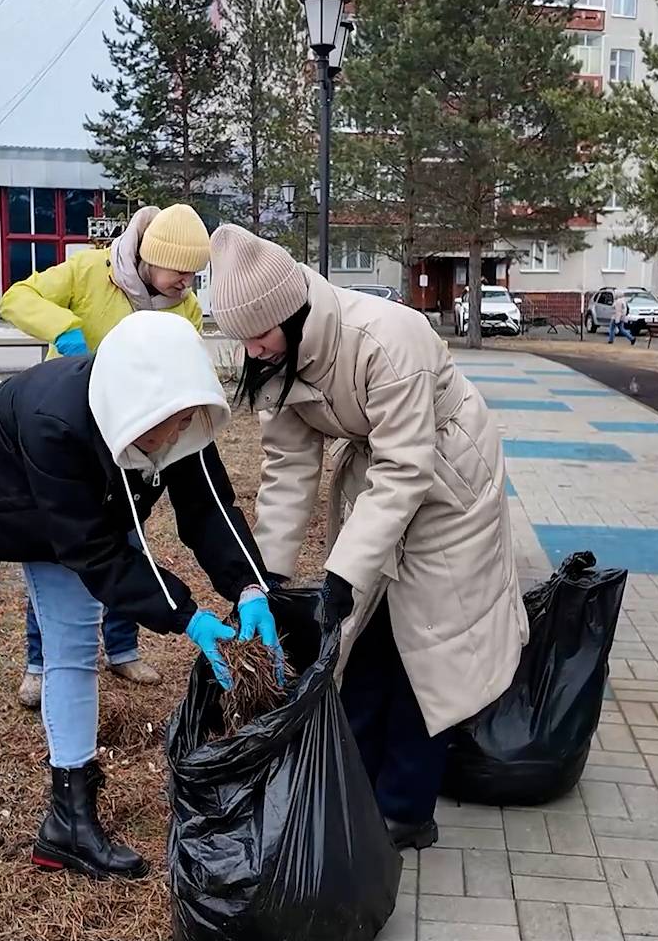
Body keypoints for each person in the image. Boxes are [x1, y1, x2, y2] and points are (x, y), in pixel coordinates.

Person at [0, 311, 280, 877]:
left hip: (65, 521)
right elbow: (96, 551)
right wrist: (187, 616)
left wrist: (250, 587)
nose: (176, 436)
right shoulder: (55, 421)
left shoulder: (177, 411)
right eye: (168, 426)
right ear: (131, 407)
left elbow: (208, 507)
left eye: (184, 423)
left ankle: (69, 823)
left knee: (74, 652)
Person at [203, 225, 527, 851]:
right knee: (365, 633)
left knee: (428, 643)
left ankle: (405, 808)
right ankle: (356, 781)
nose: (252, 349)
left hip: (448, 478)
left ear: (293, 313)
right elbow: (288, 468)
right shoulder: (272, 356)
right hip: (383, 479)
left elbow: (407, 468)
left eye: (260, 334)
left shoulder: (387, 338)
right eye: (242, 337)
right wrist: (265, 579)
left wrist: (342, 573)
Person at [0, 203, 213, 707]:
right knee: (57, 551)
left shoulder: (184, 307)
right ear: (151, 256)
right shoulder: (89, 270)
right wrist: (62, 325)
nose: (187, 283)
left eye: (194, 273)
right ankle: (39, 662)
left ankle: (122, 648)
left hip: (134, 437)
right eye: (179, 270)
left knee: (128, 542)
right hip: (70, 434)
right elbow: (16, 297)